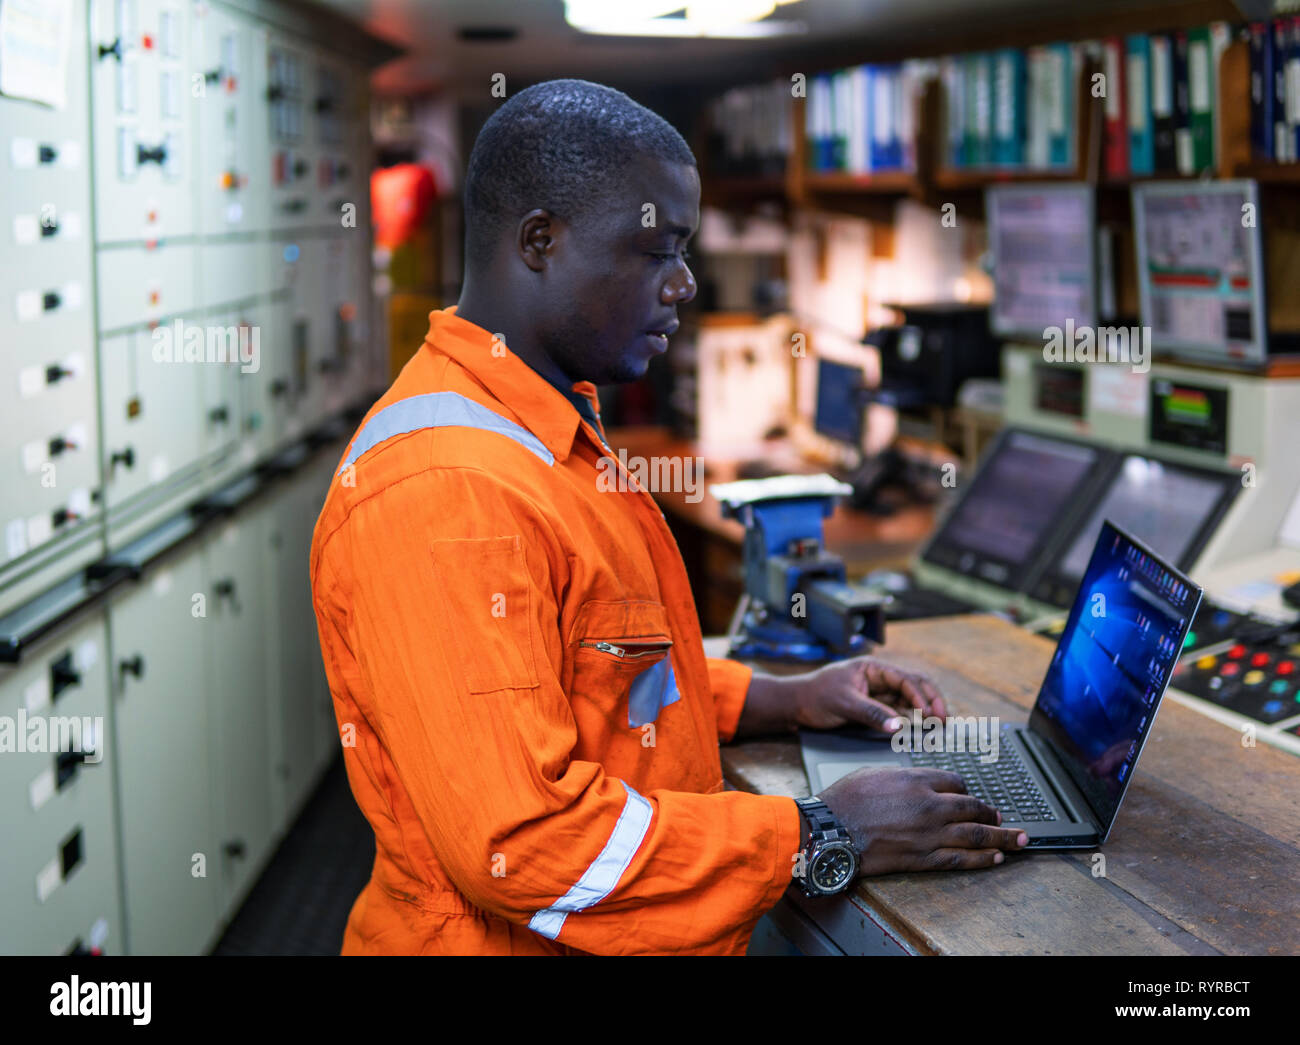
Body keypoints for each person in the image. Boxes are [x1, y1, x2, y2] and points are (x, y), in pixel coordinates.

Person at [309, 78, 1026, 956]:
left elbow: (596, 668)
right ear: (541, 241)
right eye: (658, 249)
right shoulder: (445, 491)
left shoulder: (542, 424)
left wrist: (778, 697)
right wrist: (819, 832)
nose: (684, 283)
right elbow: (526, 845)